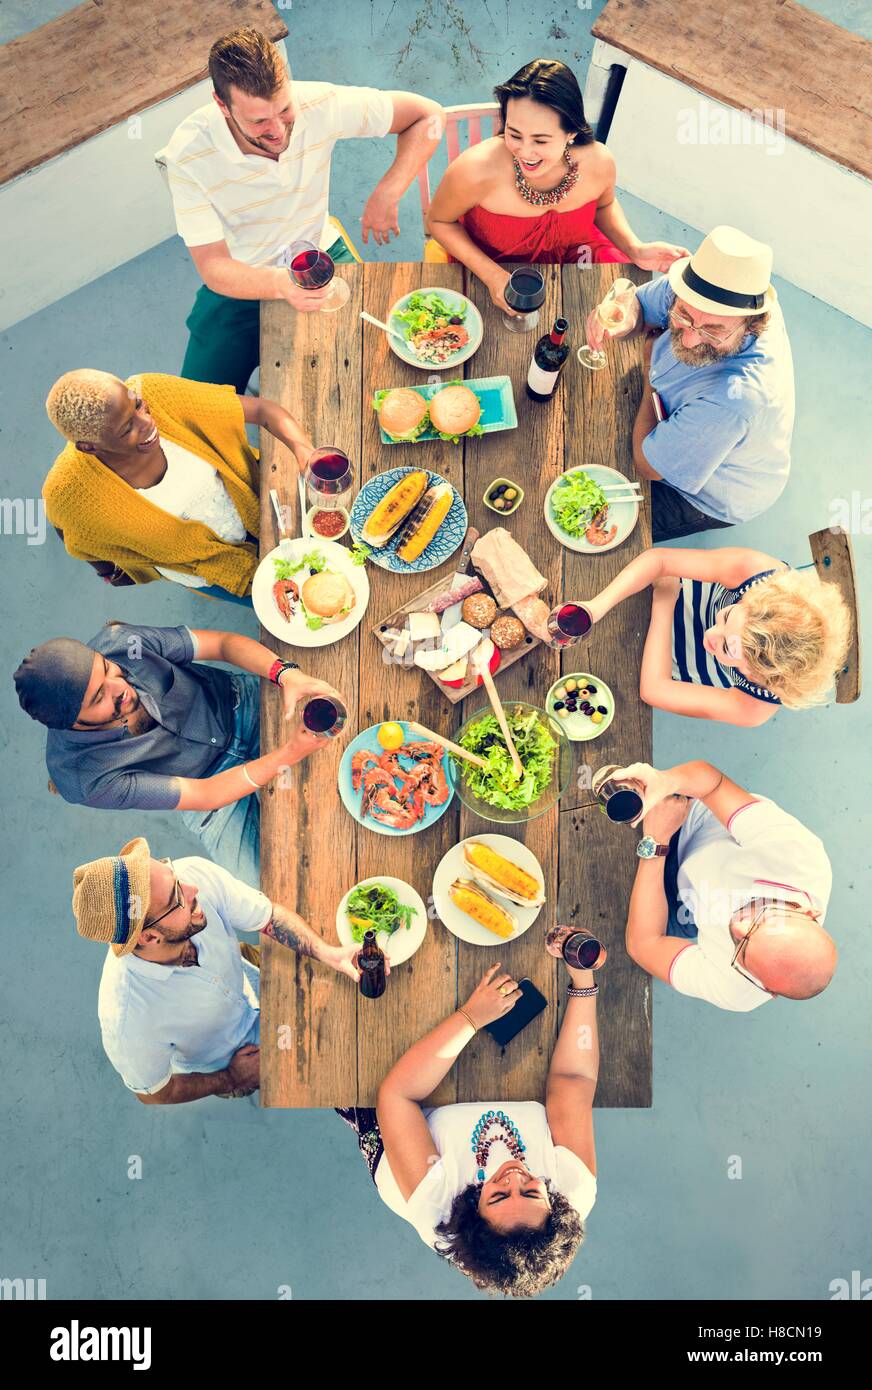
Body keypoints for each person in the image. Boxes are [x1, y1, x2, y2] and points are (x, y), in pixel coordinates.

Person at [157, 26, 444, 392]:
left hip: (319, 253)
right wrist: (280, 284)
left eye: (284, 109)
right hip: (241, 279)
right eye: (259, 121)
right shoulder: (187, 153)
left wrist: (389, 190)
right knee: (195, 406)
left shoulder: (318, 103)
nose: (278, 130)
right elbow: (213, 266)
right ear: (221, 105)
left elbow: (429, 116)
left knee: (382, 360)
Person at [338, 955, 599, 1298]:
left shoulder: (435, 1205)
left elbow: (398, 1094)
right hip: (478, 1094)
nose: (514, 1177)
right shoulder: (574, 1189)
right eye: (533, 1191)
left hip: (398, 1127)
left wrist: (471, 1017)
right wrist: (584, 983)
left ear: (475, 1213)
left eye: (500, 1195)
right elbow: (573, 1079)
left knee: (349, 1044)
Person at [13, 622, 343, 886]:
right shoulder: (84, 778)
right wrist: (288, 755)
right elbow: (205, 794)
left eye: (109, 669)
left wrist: (285, 674)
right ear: (71, 723)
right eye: (100, 696)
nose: (121, 688)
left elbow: (223, 644)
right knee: (269, 886)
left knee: (346, 723)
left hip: (238, 705)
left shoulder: (122, 642)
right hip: (205, 785)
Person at [72, 839, 362, 1103]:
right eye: (177, 897)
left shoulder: (192, 875)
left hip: (249, 970)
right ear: (149, 938)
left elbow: (268, 917)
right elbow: (155, 1092)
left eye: (170, 872)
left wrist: (330, 955)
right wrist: (230, 1078)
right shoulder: (128, 1019)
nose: (192, 889)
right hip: (235, 1058)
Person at [425, 58, 688, 315]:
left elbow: (604, 205)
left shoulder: (599, 161)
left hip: (578, 255)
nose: (525, 151)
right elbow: (438, 222)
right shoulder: (475, 169)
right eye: (514, 134)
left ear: (571, 133)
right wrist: (492, 275)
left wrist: (634, 247)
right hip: (494, 267)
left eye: (540, 140)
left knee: (628, 311)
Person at [585, 225, 795, 541]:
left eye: (712, 331)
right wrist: (624, 319)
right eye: (683, 316)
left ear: (752, 326)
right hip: (682, 419)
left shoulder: (736, 399)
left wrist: (648, 377)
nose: (691, 337)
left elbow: (648, 464)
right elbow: (640, 305)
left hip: (713, 494)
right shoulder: (708, 289)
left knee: (593, 522)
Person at [44, 369, 313, 599]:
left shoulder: (154, 391)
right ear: (89, 447)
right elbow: (64, 525)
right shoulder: (71, 492)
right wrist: (107, 571)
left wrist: (304, 452)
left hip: (256, 504)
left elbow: (262, 410)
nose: (148, 422)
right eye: (127, 429)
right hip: (207, 569)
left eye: (137, 405)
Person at [612, 759, 835, 1012]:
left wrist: (655, 842)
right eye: (760, 921)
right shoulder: (798, 854)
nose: (736, 925)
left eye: (740, 951)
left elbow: (644, 944)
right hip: (688, 824)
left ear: (766, 989)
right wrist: (664, 783)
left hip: (684, 904)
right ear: (808, 913)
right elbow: (712, 785)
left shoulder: (738, 992)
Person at [585, 543, 851, 726]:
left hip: (655, 659)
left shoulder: (754, 708)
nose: (712, 634)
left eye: (726, 649)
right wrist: (594, 609)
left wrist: (664, 602)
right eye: (727, 617)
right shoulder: (757, 573)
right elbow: (660, 560)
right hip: (650, 587)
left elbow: (655, 689)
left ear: (759, 676)